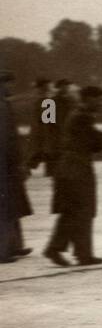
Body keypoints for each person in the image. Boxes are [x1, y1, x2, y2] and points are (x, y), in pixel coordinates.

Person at [44, 84, 102, 267]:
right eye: (100, 100)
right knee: (82, 211)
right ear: (88, 99)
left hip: (71, 168)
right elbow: (97, 144)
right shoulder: (82, 117)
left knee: (72, 212)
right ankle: (80, 254)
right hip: (76, 169)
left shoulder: (79, 115)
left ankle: (61, 249)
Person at [1, 71, 33, 262]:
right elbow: (46, 125)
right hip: (10, 162)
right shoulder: (46, 102)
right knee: (7, 204)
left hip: (13, 161)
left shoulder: (49, 101)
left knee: (12, 204)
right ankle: (7, 247)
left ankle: (14, 245)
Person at [26, 78, 52, 176]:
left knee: (36, 151)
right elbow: (49, 120)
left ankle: (27, 167)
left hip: (37, 130)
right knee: (46, 151)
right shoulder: (48, 101)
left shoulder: (35, 100)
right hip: (44, 131)